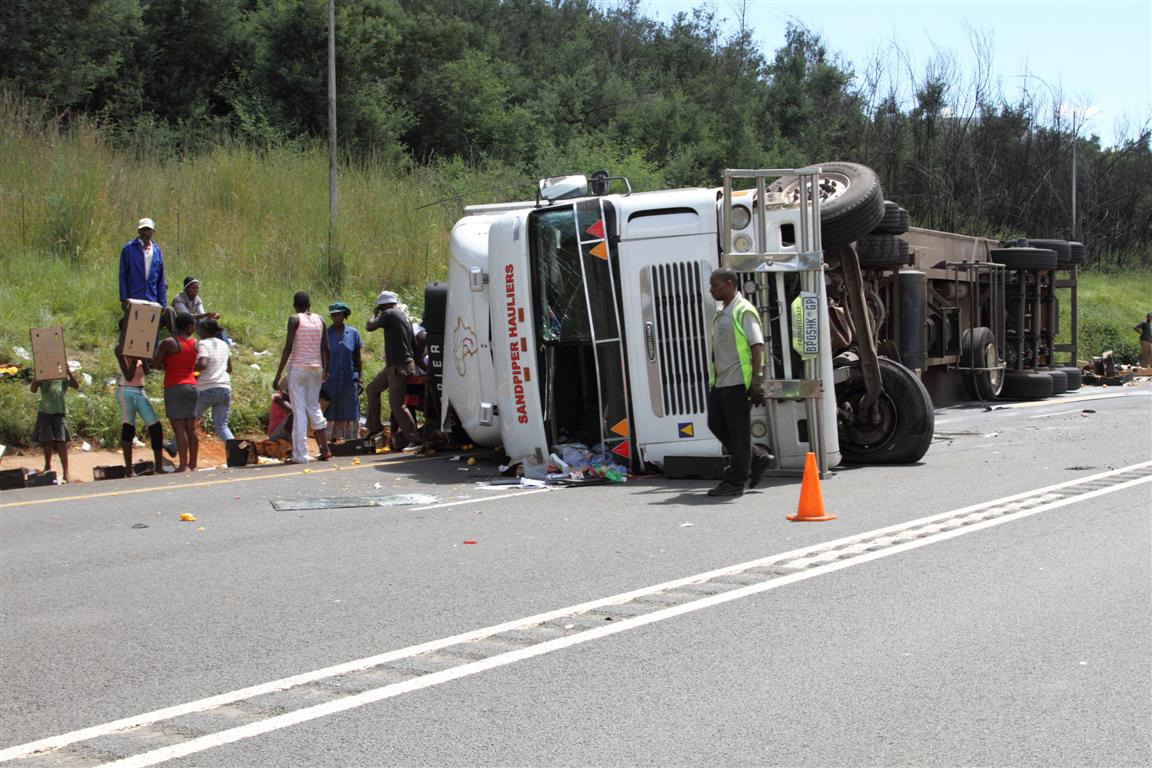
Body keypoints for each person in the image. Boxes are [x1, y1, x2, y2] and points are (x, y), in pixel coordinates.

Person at [705, 268, 772, 498]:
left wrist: (757, 380)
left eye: (716, 285)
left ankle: (735, 482)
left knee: (739, 432)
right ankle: (757, 457)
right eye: (712, 285)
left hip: (738, 382)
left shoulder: (744, 310)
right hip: (721, 382)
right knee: (715, 424)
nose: (712, 289)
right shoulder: (722, 312)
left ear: (730, 283)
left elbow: (757, 345)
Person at [272, 291, 332, 463]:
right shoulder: (320, 320)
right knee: (314, 407)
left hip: (298, 369)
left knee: (299, 410)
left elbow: (288, 347)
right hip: (316, 369)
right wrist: (326, 370)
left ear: (295, 305)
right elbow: (326, 348)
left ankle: (301, 455)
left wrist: (277, 375)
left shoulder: (295, 319)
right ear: (309, 305)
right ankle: (325, 449)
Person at [365, 290, 419, 451]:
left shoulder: (389, 313)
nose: (381, 311)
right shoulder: (404, 317)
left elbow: (369, 326)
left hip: (398, 366)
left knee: (397, 405)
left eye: (380, 307)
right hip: (398, 365)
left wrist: (374, 314)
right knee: (372, 389)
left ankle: (414, 439)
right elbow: (414, 343)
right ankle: (375, 427)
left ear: (384, 305)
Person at [115, 325, 167, 476]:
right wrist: (135, 356)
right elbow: (129, 375)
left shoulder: (140, 348)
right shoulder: (120, 349)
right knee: (128, 427)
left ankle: (159, 466)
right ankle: (129, 469)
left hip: (140, 390)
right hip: (125, 391)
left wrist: (143, 355)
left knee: (156, 427)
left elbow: (147, 370)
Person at [153, 312, 200, 472]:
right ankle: (193, 465)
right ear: (188, 326)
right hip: (192, 386)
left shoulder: (168, 343)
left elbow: (155, 363)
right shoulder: (195, 344)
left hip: (174, 386)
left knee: (179, 427)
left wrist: (165, 364)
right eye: (193, 325)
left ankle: (183, 465)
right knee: (191, 428)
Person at [30, 368, 80, 483]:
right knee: (47, 441)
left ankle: (66, 472)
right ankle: (47, 467)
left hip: (59, 413)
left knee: (61, 442)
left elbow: (76, 386)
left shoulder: (61, 375)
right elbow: (33, 389)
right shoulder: (43, 374)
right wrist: (37, 378)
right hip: (45, 412)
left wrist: (68, 372)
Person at [323, 302, 363, 442]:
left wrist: (360, 378)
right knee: (331, 410)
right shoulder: (326, 334)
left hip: (349, 378)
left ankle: (351, 441)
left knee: (350, 409)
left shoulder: (353, 333)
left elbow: (357, 357)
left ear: (344, 316)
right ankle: (330, 441)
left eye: (339, 314)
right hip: (331, 379)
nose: (336, 317)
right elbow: (324, 356)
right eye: (333, 315)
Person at [194, 318, 234, 442]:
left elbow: (203, 364)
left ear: (205, 330)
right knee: (222, 426)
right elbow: (230, 369)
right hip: (225, 389)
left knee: (189, 419)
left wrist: (189, 369)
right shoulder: (224, 344)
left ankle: (174, 447)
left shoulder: (203, 344)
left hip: (207, 389)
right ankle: (238, 452)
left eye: (200, 329)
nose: (198, 331)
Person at [119, 218, 167, 310]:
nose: (146, 233)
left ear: (153, 231)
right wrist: (124, 298)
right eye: (143, 230)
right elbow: (123, 275)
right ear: (139, 231)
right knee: (134, 324)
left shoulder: (157, 251)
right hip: (134, 298)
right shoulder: (129, 249)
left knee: (150, 324)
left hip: (152, 298)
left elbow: (160, 279)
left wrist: (163, 303)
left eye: (148, 230)